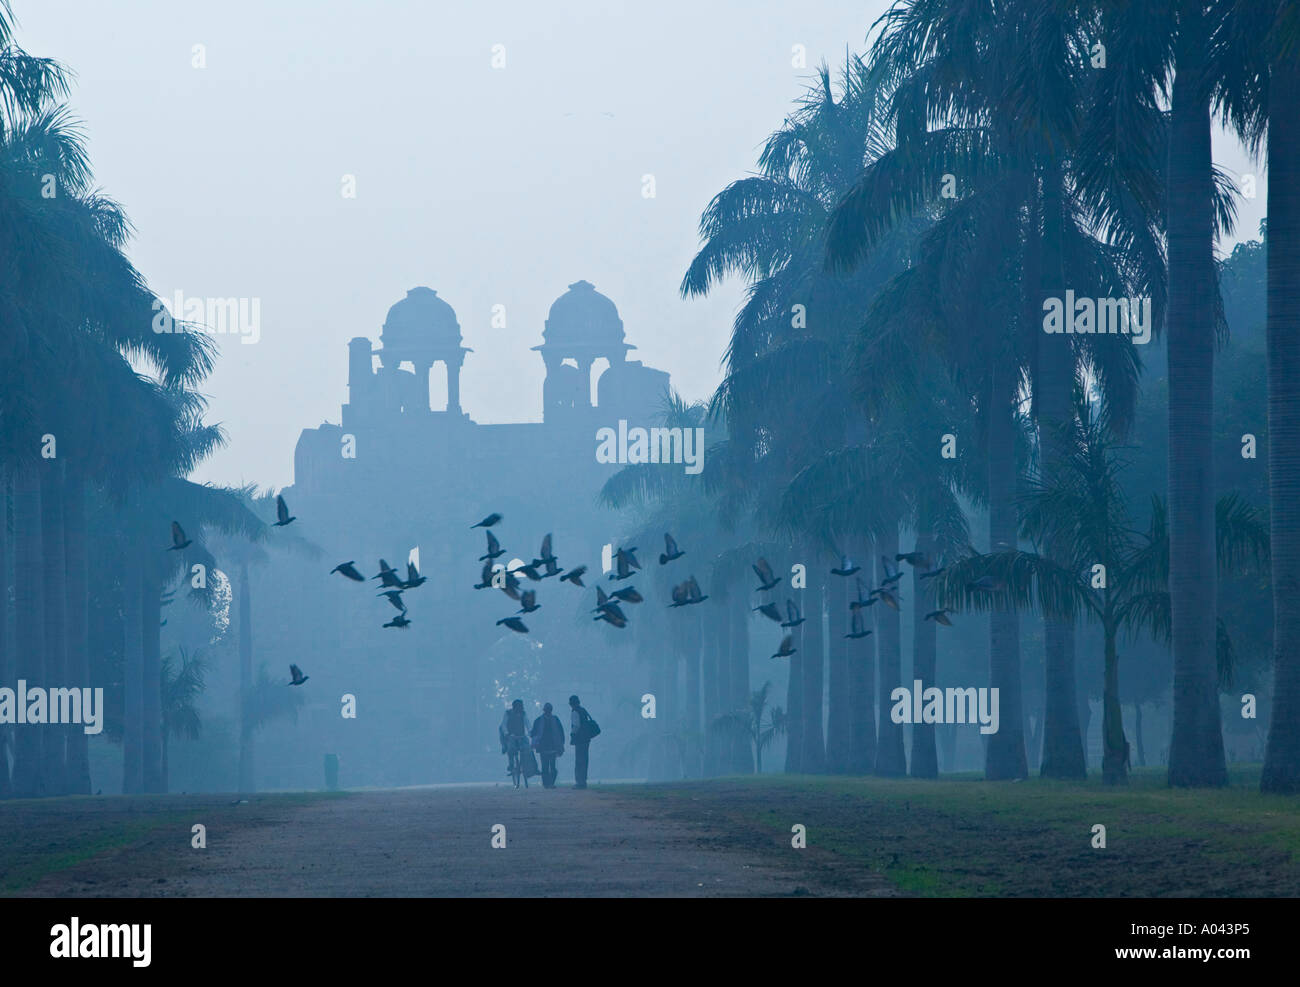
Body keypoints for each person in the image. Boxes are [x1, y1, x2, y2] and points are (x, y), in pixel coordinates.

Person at [530, 702, 565, 789]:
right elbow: (561, 732)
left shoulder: (539, 720)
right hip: (544, 746)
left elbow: (533, 733)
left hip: (552, 745)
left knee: (550, 766)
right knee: (547, 766)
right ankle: (547, 784)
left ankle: (549, 783)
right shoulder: (554, 720)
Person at [568, 694, 598, 789]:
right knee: (584, 760)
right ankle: (583, 781)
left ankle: (579, 782)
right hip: (586, 738)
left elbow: (576, 726)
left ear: (571, 704)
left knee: (579, 760)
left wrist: (572, 734)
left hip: (579, 739)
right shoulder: (583, 710)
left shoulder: (575, 712)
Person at [499, 699, 531, 783]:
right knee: (510, 749)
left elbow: (527, 723)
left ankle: (528, 765)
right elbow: (503, 725)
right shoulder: (507, 713)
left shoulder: (523, 714)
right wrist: (506, 733)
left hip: (521, 736)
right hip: (511, 736)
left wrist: (530, 732)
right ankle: (511, 764)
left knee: (528, 748)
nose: (521, 708)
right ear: (515, 707)